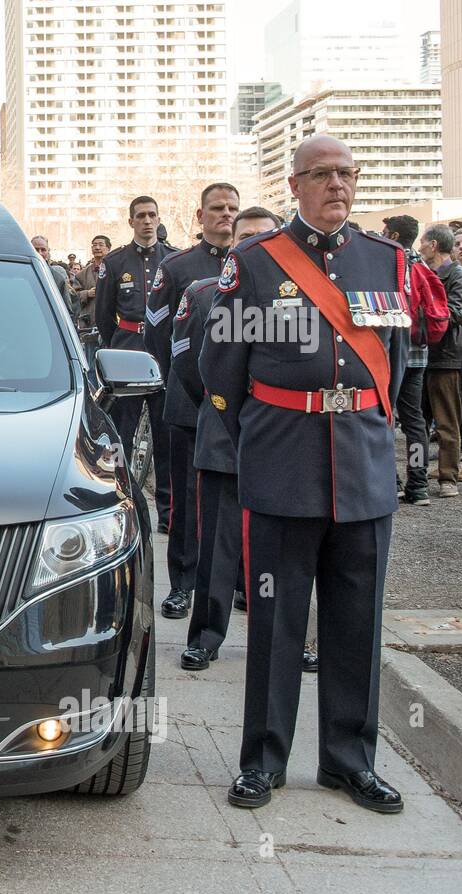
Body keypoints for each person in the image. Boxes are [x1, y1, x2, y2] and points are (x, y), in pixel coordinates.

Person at [200, 134, 407, 814]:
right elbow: (221, 374)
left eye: (347, 173)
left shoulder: (387, 261)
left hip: (365, 472)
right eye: (321, 175)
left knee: (357, 625)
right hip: (285, 466)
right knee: (276, 622)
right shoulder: (253, 266)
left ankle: (350, 762)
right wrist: (259, 443)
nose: (337, 186)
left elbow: (393, 371)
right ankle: (263, 760)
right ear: (294, 185)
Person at [170, 206, 322, 677]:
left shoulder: (305, 298)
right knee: (216, 547)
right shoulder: (203, 293)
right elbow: (188, 365)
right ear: (232, 244)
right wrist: (228, 413)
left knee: (282, 555)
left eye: (265, 235)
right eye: (246, 236)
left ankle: (284, 641)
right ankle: (205, 638)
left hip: (283, 444)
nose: (255, 242)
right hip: (224, 439)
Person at [143, 182, 240, 620]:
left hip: (243, 410)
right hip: (189, 405)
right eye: (217, 208)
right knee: (186, 499)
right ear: (199, 216)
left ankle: (239, 583)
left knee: (243, 501)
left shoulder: (254, 261)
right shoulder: (178, 265)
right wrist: (183, 388)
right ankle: (182, 584)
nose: (226, 215)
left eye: (232, 208)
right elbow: (158, 333)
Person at [95, 196, 178, 524]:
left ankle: (167, 510)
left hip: (163, 356)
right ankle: (121, 501)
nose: (147, 221)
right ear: (131, 221)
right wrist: (120, 343)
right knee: (122, 433)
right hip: (127, 354)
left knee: (165, 434)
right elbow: (103, 316)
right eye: (141, 216)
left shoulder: (173, 259)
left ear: (159, 219)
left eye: (152, 215)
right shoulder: (115, 263)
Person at [383, 215, 439, 505]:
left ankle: (391, 481)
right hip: (419, 352)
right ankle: (418, 483)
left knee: (387, 417)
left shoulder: (387, 261)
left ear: (392, 235)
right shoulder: (421, 264)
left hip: (392, 351)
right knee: (415, 420)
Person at [418, 224, 462, 497]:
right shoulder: (423, 273)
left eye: (423, 242)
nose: (420, 247)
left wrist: (425, 311)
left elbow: (457, 312)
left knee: (447, 420)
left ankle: (448, 477)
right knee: (418, 421)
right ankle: (418, 474)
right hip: (422, 355)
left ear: (433, 245)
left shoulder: (457, 275)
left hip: (446, 356)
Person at [73, 234, 110, 361]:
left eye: (100, 244)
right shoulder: (81, 275)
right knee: (90, 364)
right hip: (90, 327)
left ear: (108, 248)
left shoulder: (116, 270)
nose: (97, 247)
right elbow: (72, 298)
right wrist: (87, 294)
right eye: (94, 245)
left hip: (111, 326)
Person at [30, 235, 77, 319]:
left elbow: (66, 310)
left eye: (43, 250)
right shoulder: (21, 276)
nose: (39, 253)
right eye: (36, 249)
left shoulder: (57, 278)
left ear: (48, 252)